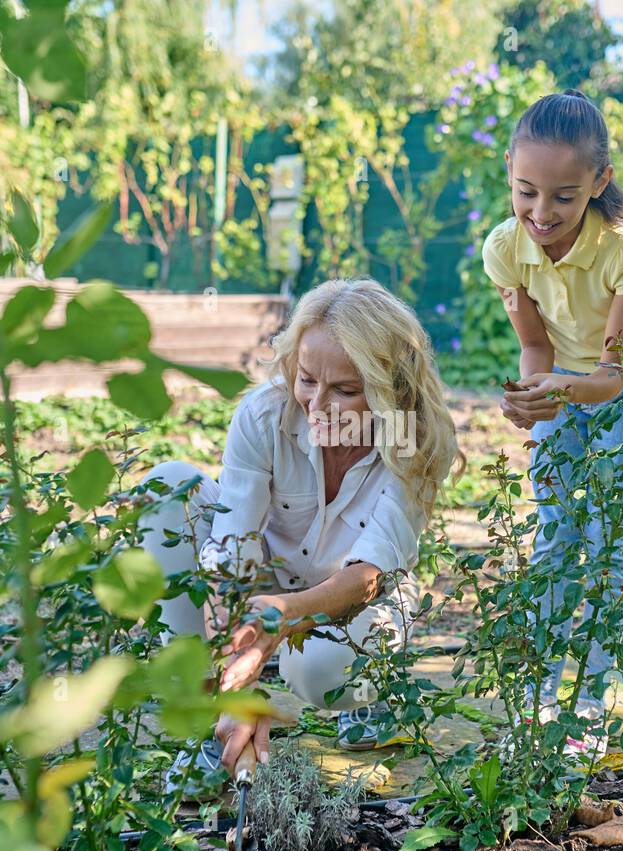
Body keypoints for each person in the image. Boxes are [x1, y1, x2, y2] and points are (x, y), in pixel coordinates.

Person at [138, 278, 463, 792]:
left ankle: (376, 697)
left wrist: (281, 616)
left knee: (318, 673)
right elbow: (231, 549)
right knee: (166, 487)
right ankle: (208, 717)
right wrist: (233, 677)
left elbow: (367, 576)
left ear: (390, 388)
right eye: (307, 379)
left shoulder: (414, 441)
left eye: (347, 390)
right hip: (267, 575)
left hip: (353, 597)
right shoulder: (263, 414)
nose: (318, 404)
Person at [481, 89, 623, 756]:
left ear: (600, 181)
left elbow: (609, 378)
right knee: (555, 535)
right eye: (526, 192)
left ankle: (591, 708)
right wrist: (528, 396)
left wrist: (557, 389)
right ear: (510, 167)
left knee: (607, 545)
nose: (542, 213)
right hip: (567, 377)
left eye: (564, 197)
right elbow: (537, 350)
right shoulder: (505, 249)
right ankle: (543, 698)